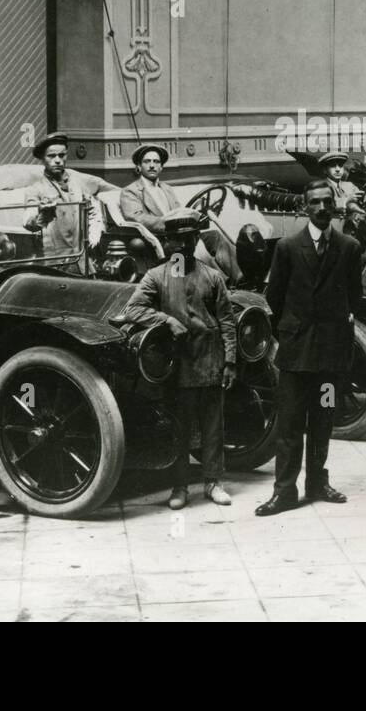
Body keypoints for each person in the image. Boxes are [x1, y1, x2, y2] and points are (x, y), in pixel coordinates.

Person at [256, 179, 363, 516]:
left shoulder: (348, 247)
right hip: (296, 356)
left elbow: (355, 296)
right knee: (289, 425)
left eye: (326, 202)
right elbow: (274, 298)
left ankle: (318, 483)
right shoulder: (287, 248)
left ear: (334, 205)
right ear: (304, 207)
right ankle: (284, 492)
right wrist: (290, 334)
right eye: (314, 202)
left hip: (330, 358)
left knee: (323, 419)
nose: (320, 208)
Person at [123, 209, 237, 510]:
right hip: (178, 364)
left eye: (189, 240)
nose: (183, 246)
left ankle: (214, 483)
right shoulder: (155, 276)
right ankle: (180, 487)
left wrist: (231, 362)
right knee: (181, 428)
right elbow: (133, 309)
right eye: (177, 241)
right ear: (167, 242)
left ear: (196, 240)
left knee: (214, 426)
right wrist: (164, 320)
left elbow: (227, 321)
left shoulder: (212, 276)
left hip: (210, 359)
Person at [22, 132, 102, 255]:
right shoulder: (35, 189)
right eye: (51, 156)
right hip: (53, 258)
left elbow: (93, 210)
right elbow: (28, 223)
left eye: (62, 155)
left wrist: (95, 233)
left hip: (80, 256)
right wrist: (42, 213)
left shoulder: (78, 184)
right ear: (43, 159)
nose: (58, 160)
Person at [119, 142, 181, 231]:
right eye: (147, 161)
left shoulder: (167, 188)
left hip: (179, 235)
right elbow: (136, 218)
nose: (152, 165)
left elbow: (178, 212)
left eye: (156, 162)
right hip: (156, 238)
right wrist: (169, 224)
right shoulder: (130, 191)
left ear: (161, 167)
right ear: (139, 166)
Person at [318, 151, 364, 219]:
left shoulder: (350, 185)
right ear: (325, 170)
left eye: (340, 165)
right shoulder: (320, 186)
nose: (338, 169)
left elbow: (362, 199)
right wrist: (346, 200)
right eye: (333, 166)